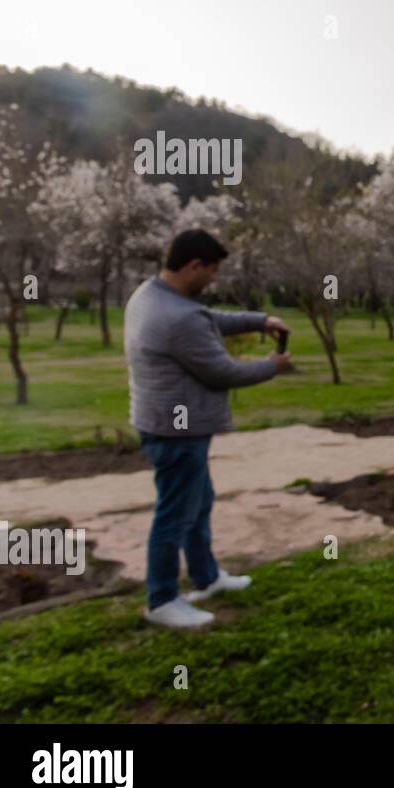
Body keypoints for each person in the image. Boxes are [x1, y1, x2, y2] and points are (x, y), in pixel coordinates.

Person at [124, 229, 292, 628]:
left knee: (196, 504)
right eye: (211, 271)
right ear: (193, 265)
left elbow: (208, 320)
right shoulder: (178, 316)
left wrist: (257, 320)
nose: (213, 280)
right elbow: (222, 372)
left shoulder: (150, 295)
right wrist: (273, 366)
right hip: (176, 432)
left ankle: (206, 577)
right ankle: (162, 599)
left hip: (162, 423)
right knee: (174, 514)